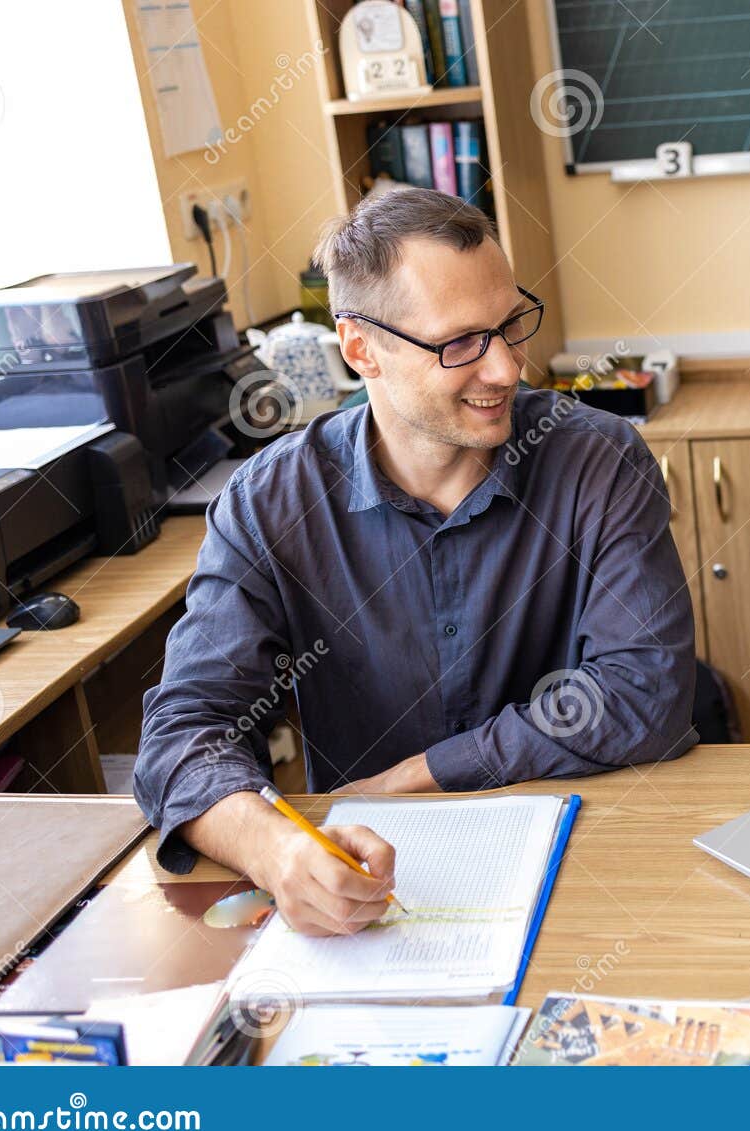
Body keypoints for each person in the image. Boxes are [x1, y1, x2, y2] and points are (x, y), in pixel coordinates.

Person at [134, 187, 697, 935]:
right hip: (378, 883)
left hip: (593, 850)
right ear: (362, 348)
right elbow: (183, 733)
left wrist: (417, 775)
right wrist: (276, 851)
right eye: (460, 343)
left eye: (509, 326)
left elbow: (644, 692)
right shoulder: (271, 502)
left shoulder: (597, 458)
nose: (505, 369)